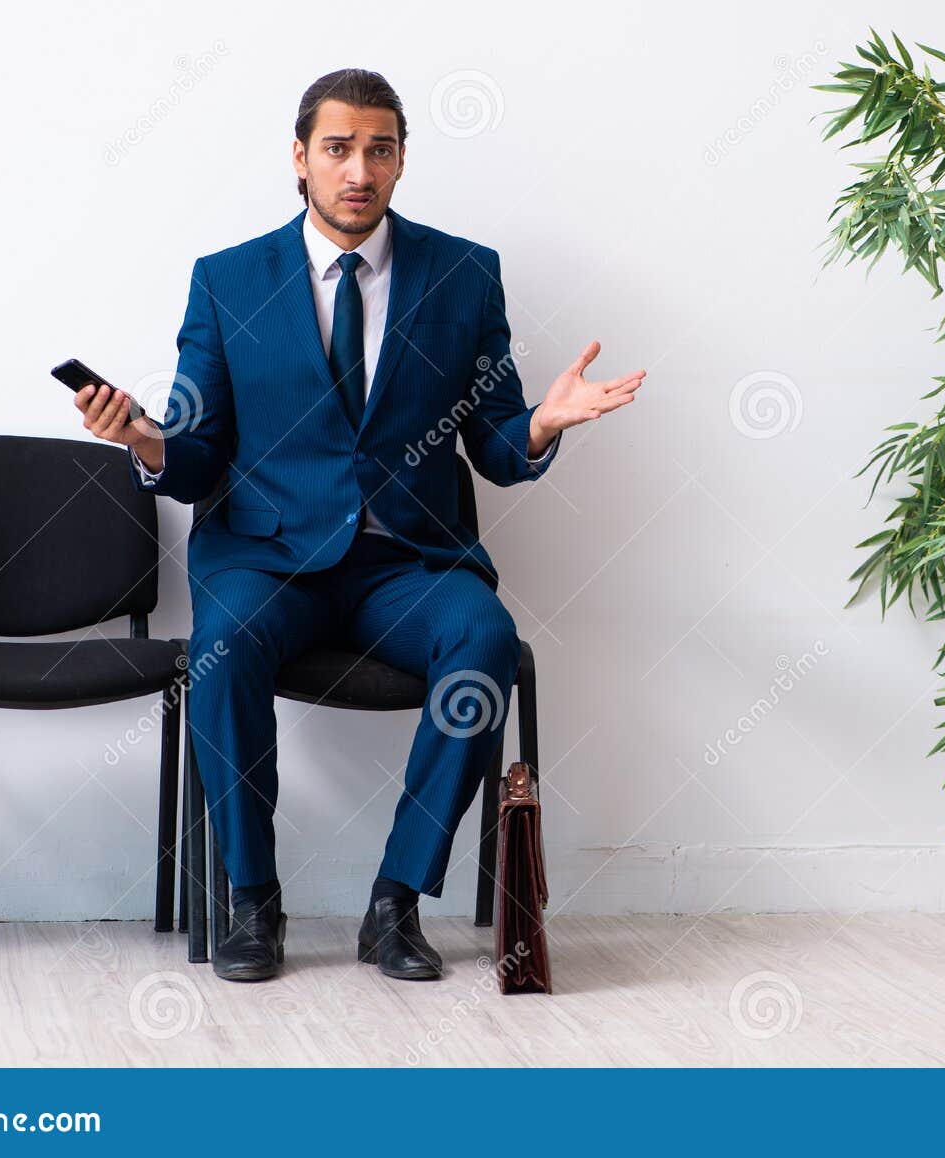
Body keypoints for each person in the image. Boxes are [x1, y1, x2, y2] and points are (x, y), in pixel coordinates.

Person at [74, 68, 646, 982]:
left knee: (484, 638)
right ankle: (252, 901)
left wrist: (540, 423)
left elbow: (497, 445)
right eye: (338, 148)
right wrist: (144, 438)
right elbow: (199, 450)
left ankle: (396, 902)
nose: (359, 170)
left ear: (402, 161)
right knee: (223, 646)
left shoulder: (463, 275)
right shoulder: (228, 281)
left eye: (380, 150)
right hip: (269, 559)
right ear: (300, 158)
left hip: (405, 562)